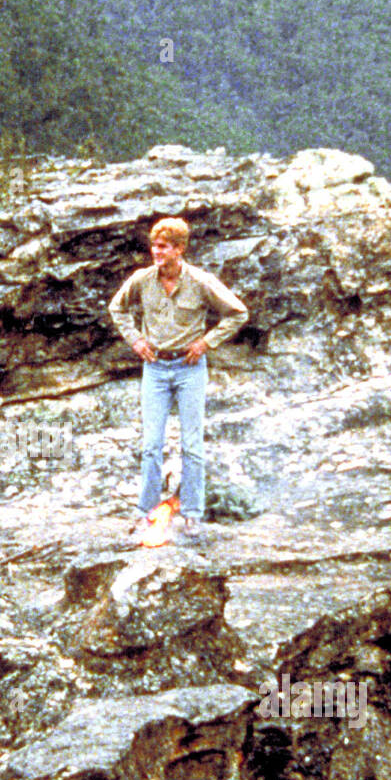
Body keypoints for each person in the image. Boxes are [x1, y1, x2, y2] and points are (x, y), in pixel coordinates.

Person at [108, 217, 247, 544]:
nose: (157, 252)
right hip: (155, 368)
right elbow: (118, 308)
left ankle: (193, 515)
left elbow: (238, 312)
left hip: (189, 369)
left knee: (192, 445)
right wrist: (136, 341)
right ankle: (146, 511)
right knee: (151, 445)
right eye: (155, 246)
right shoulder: (142, 280)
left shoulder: (200, 281)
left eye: (164, 247)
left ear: (180, 249)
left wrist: (206, 343)